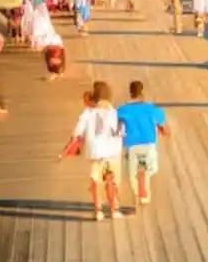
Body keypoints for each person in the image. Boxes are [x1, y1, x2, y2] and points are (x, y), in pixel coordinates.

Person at [61, 82, 124, 221]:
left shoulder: (88, 112)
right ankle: (113, 210)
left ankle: (98, 211)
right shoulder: (114, 112)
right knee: (110, 180)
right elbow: (119, 132)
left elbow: (77, 132)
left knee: (95, 181)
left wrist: (68, 148)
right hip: (111, 152)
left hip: (95, 152)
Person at [117, 81, 169, 206]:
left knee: (132, 173)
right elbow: (162, 126)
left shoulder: (122, 110)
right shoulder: (152, 109)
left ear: (130, 93)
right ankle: (144, 191)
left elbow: (115, 123)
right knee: (148, 169)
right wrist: (164, 131)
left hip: (132, 145)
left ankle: (138, 193)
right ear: (142, 92)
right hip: (149, 143)